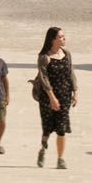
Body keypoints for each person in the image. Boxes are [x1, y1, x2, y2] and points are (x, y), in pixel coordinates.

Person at [35, 26, 77, 169]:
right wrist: (52, 97)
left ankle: (60, 159)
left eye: (63, 36)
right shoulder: (44, 57)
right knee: (48, 127)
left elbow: (71, 72)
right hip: (48, 97)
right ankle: (42, 149)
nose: (63, 39)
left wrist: (75, 91)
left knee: (61, 128)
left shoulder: (67, 54)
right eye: (60, 37)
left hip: (65, 95)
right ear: (52, 40)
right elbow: (44, 78)